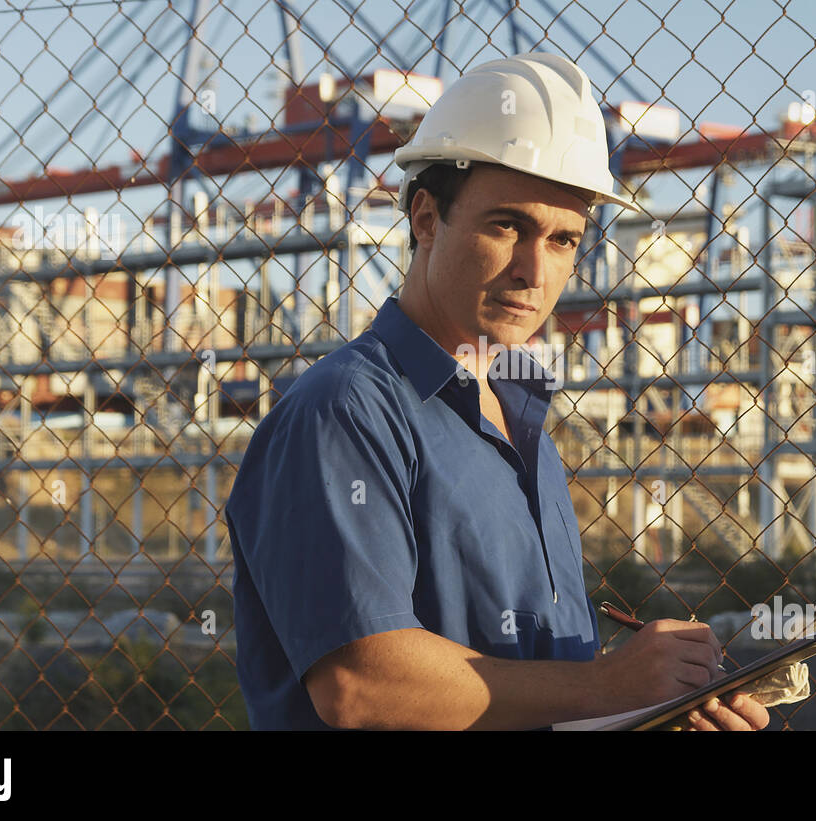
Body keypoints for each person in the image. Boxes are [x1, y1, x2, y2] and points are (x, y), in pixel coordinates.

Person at [225, 51, 769, 731]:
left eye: (565, 239)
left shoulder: (524, 422)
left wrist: (654, 705)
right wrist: (606, 685)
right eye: (506, 225)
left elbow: (531, 689)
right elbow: (360, 683)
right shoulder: (345, 412)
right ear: (426, 217)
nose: (534, 270)